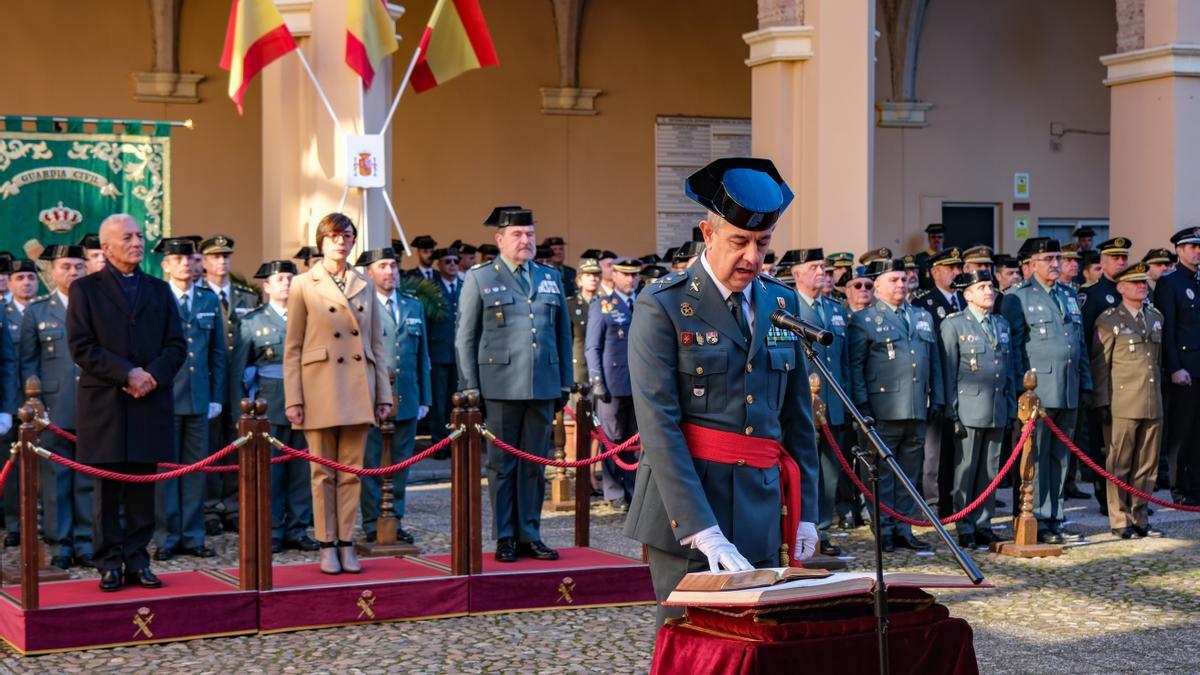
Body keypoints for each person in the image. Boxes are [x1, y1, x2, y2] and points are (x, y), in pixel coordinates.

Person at [624, 157, 818, 627]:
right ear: (707, 234)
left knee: (752, 642)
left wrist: (807, 508)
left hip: (760, 503)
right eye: (739, 241)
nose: (752, 257)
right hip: (689, 510)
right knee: (690, 641)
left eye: (762, 243)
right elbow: (659, 426)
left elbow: (796, 415)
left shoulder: (781, 301)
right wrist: (700, 528)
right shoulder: (664, 305)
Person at [67, 213, 186, 591]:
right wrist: (127, 374)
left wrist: (150, 376)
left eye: (139, 236)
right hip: (106, 403)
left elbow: (176, 345)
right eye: (128, 237)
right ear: (106, 247)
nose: (137, 243)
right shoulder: (85, 290)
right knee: (107, 490)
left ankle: (137, 559)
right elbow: (82, 347)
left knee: (141, 488)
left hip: (149, 400)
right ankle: (108, 563)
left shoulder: (158, 289)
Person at [456, 207, 572, 563]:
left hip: (542, 384)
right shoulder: (480, 278)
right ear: (500, 240)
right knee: (503, 464)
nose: (526, 241)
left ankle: (530, 533)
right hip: (500, 385)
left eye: (530, 234)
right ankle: (505, 535)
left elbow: (562, 334)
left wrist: (565, 381)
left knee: (534, 464)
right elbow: (466, 337)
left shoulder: (549, 276)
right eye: (518, 235)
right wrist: (471, 386)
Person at [284, 212, 392, 574]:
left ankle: (347, 542)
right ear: (322, 242)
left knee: (351, 472)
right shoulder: (303, 284)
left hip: (358, 385)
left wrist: (383, 395)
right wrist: (293, 398)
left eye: (347, 236)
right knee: (322, 473)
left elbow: (376, 343)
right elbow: (293, 347)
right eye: (333, 236)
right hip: (319, 386)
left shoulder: (365, 283)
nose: (340, 242)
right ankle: (326, 543)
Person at [849, 258, 943, 552]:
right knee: (882, 474)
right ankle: (884, 530)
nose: (901, 284)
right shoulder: (864, 320)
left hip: (915, 407)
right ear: (876, 286)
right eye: (894, 280)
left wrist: (937, 397)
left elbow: (934, 361)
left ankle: (904, 527)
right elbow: (856, 368)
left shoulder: (921, 317)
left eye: (904, 279)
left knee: (910, 473)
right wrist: (862, 406)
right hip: (882, 410)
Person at [1001, 237, 1091, 544]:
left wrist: (1085, 381)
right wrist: (1018, 389)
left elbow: (1077, 342)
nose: (1056, 263)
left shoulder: (1068, 294)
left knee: (1060, 457)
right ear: (1031, 265)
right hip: (1037, 391)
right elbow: (1013, 347)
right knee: (1035, 456)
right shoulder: (1018, 297)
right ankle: (1034, 517)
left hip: (1067, 387)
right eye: (1049, 258)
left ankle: (1055, 515)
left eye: (1058, 258)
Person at [233, 260, 317, 553]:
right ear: (266, 286)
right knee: (272, 473)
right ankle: (272, 530)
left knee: (302, 471)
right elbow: (238, 371)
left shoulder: (309, 316)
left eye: (290, 278)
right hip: (270, 405)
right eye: (279, 279)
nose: (286, 283)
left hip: (308, 402)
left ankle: (298, 528)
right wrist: (239, 412)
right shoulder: (252, 322)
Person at [153, 237, 225, 560]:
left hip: (198, 397)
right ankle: (167, 537)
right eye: (177, 259)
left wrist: (216, 396)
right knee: (167, 471)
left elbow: (218, 353)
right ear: (165, 265)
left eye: (189, 258)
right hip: (165, 397)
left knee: (196, 470)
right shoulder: (155, 297)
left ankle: (193, 536)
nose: (185, 264)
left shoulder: (208, 300)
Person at [19, 245, 89, 568]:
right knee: (57, 479)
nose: (73, 273)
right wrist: (36, 405)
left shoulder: (97, 307)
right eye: (65, 267)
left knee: (90, 477)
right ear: (51, 271)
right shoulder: (37, 311)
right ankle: (61, 545)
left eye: (78, 266)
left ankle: (88, 542)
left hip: (93, 405)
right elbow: (28, 363)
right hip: (54, 409)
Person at [356, 247, 430, 546]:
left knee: (401, 464)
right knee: (372, 464)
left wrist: (425, 397)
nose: (391, 271)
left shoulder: (413, 306)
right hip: (372, 397)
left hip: (408, 396)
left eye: (394, 265)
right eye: (383, 266)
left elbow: (422, 354)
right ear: (369, 272)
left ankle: (394, 519)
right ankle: (373, 522)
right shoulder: (360, 306)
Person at [940, 270, 1016, 549]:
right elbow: (949, 373)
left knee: (990, 470)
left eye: (991, 286)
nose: (989, 291)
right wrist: (953, 412)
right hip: (968, 408)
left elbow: (1008, 370)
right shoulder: (955, 325)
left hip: (996, 407)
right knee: (966, 469)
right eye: (982, 287)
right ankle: (965, 525)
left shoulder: (1001, 324)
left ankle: (984, 522)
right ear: (967, 294)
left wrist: (1009, 408)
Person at [1091, 263, 1164, 538]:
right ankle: (1119, 518)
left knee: (1147, 464)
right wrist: (1101, 402)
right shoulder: (1109, 320)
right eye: (1135, 283)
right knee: (1119, 463)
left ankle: (1140, 514)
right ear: (1121, 288)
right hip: (1122, 402)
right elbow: (1101, 365)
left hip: (1151, 400)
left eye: (1144, 282)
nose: (1142, 286)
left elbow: (1157, 362)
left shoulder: (1156, 317)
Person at [197, 235, 259, 535]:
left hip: (239, 383)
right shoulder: (198, 296)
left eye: (226, 256)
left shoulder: (247, 297)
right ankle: (209, 507)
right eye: (215, 257)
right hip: (208, 380)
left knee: (238, 443)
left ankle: (234, 504)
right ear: (204, 262)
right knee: (210, 446)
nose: (222, 261)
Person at [792, 247, 851, 554]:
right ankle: (804, 526)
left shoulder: (835, 308)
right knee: (806, 469)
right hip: (802, 404)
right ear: (796, 273)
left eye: (823, 268)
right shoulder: (789, 306)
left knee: (830, 471)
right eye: (814, 267)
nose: (821, 272)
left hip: (834, 402)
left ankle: (823, 528)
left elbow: (846, 360)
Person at [585, 257, 641, 512]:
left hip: (639, 385)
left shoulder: (644, 304)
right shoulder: (603, 305)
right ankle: (614, 491)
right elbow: (593, 347)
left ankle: (632, 489)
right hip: (612, 383)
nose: (630, 279)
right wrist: (597, 381)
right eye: (625, 275)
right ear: (615, 277)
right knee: (612, 439)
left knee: (633, 442)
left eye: (634, 275)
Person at [912, 247, 964, 517]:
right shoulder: (924, 305)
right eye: (950, 268)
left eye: (959, 267)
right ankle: (933, 504)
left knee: (958, 453)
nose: (957, 272)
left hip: (964, 387)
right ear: (934, 272)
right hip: (937, 383)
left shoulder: (965, 300)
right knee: (933, 453)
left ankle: (956, 502)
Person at [1153, 227, 1200, 506]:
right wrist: (1174, 367)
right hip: (1184, 368)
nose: (1197, 252)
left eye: (1199, 247)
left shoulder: (1197, 281)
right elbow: (1167, 331)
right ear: (1179, 251)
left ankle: (1197, 485)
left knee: (1198, 432)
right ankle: (1180, 488)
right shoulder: (1170, 283)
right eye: (1191, 247)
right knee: (1181, 432)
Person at [1, 259, 36, 541]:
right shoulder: (5, 311)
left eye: (31, 277)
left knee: (42, 467)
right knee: (11, 468)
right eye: (20, 277)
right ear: (10, 283)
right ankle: (15, 524)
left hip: (38, 403)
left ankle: (41, 521)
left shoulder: (41, 310)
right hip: (12, 403)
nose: (27, 282)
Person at [427, 247, 461, 453]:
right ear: (439, 265)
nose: (452, 265)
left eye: (456, 261)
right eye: (447, 261)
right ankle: (440, 443)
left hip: (459, 354)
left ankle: (456, 439)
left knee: (455, 400)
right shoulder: (431, 288)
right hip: (438, 352)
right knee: (438, 401)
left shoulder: (465, 286)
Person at [568, 258, 602, 385]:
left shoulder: (606, 305)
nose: (593, 279)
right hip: (579, 370)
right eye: (588, 275)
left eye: (596, 275)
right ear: (579, 280)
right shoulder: (570, 305)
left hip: (602, 369)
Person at [913, 223, 945, 290]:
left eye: (939, 237)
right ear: (929, 239)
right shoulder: (919, 258)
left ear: (943, 239)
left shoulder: (949, 257)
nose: (936, 240)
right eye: (933, 237)